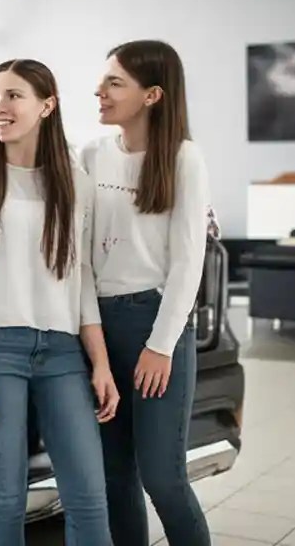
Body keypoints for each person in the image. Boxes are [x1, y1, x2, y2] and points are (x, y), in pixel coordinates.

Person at [0, 59, 119, 545]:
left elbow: (80, 278)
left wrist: (101, 364)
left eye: (13, 95)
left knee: (89, 496)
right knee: (5, 496)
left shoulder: (75, 183)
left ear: (47, 105)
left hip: (63, 353)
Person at [82, 39, 213, 546]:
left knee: (163, 477)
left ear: (152, 95)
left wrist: (160, 346)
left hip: (155, 324)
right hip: (98, 328)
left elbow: (188, 262)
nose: (99, 91)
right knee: (115, 477)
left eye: (114, 82)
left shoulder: (183, 159)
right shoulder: (90, 155)